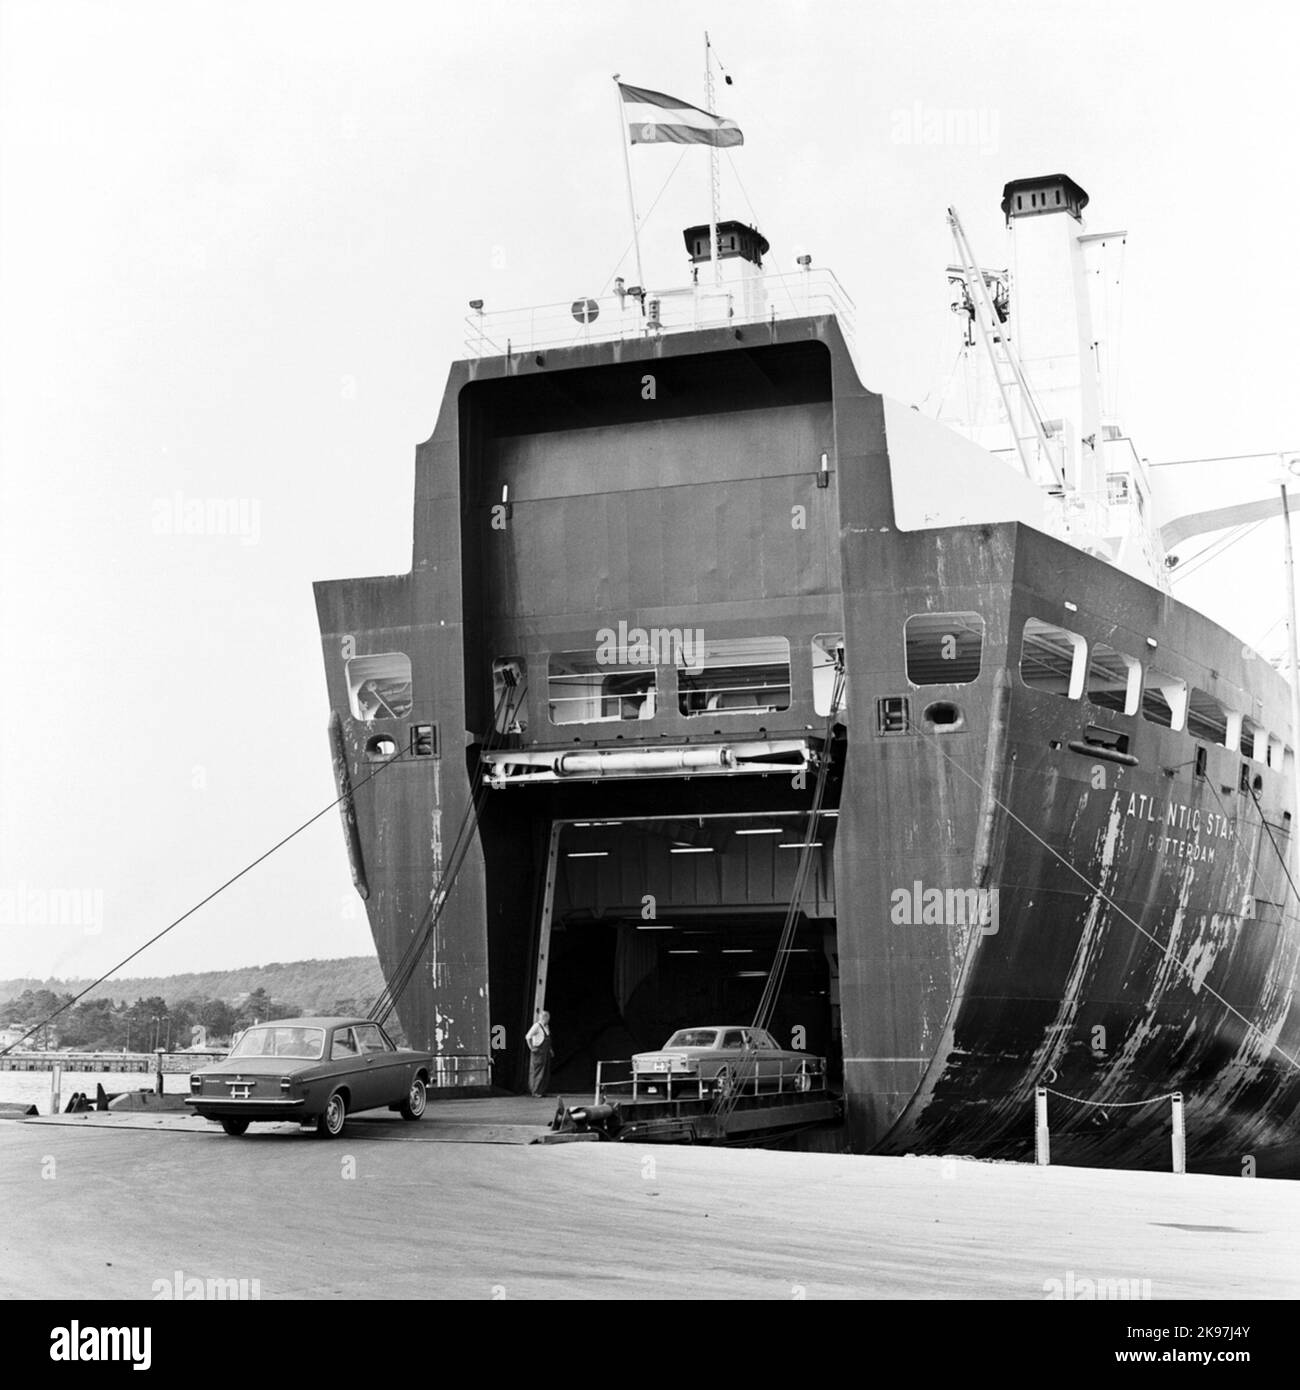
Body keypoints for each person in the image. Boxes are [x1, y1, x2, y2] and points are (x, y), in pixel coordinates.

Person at [525, 1010, 552, 1097]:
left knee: (544, 1072)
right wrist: (531, 1048)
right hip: (538, 1051)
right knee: (537, 1071)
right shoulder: (537, 1026)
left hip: (545, 1052)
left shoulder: (546, 1026)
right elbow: (528, 1036)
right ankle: (535, 1091)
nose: (548, 1020)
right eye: (547, 1018)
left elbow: (547, 1039)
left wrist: (550, 1049)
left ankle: (541, 1091)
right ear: (544, 1017)